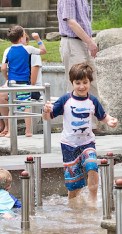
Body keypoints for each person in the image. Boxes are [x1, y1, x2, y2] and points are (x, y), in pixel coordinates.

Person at [42, 63, 118, 201]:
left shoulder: (92, 100)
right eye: (78, 83)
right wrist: (45, 111)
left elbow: (102, 116)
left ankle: (93, 200)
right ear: (72, 83)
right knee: (74, 184)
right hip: (69, 145)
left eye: (85, 82)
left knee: (92, 166)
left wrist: (109, 121)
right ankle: (73, 207)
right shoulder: (65, 100)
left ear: (90, 82)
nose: (82, 86)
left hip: (87, 142)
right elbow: (47, 118)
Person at [57, 0, 102, 133]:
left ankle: (92, 125)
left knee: (91, 82)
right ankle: (76, 126)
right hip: (72, 42)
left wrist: (89, 41)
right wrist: (90, 42)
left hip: (83, 42)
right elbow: (72, 22)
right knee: (76, 85)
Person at [0, 29, 46, 138]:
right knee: (26, 105)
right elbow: (43, 51)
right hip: (24, 83)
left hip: (13, 84)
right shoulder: (28, 49)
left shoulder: (8, 51)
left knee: (11, 106)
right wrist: (37, 39)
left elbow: (3, 68)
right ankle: (28, 131)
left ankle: (9, 131)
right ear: (21, 38)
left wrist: (7, 78)